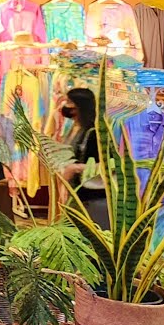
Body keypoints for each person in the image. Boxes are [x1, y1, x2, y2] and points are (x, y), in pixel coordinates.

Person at [60, 87, 108, 227]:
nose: (65, 105)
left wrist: (75, 168)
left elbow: (107, 164)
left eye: (69, 102)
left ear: (78, 106)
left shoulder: (93, 133)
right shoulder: (75, 127)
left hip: (91, 196)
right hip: (77, 193)